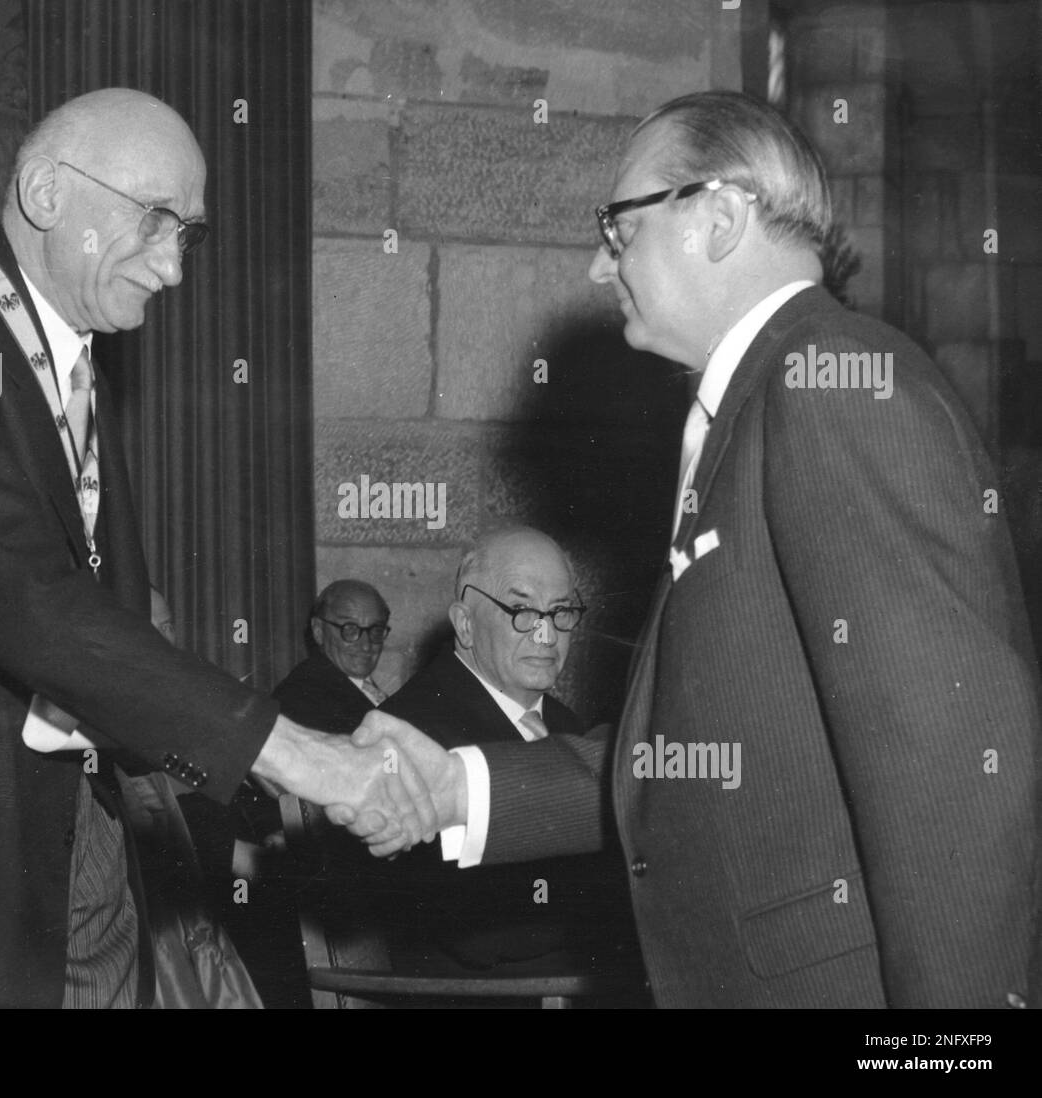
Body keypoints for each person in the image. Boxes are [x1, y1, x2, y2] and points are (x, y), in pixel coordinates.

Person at [341, 90, 1041, 1010]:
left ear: (718, 216)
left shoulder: (828, 387)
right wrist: (455, 788)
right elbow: (695, 756)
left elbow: (954, 771)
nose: (599, 266)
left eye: (618, 228)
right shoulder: (763, 398)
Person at [0, 87, 436, 1008]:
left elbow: (115, 642)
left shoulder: (71, 361)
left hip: (87, 858)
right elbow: (38, 607)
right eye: (155, 222)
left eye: (187, 236)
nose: (173, 268)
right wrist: (306, 759)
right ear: (46, 193)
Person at [377, 527, 646, 993]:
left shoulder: (566, 724)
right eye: (521, 609)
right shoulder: (410, 730)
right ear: (464, 624)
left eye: (561, 611)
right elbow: (479, 933)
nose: (546, 633)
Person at [272, 579, 391, 734]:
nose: (366, 645)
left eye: (376, 630)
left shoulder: (364, 689)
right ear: (319, 631)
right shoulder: (301, 699)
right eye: (350, 629)